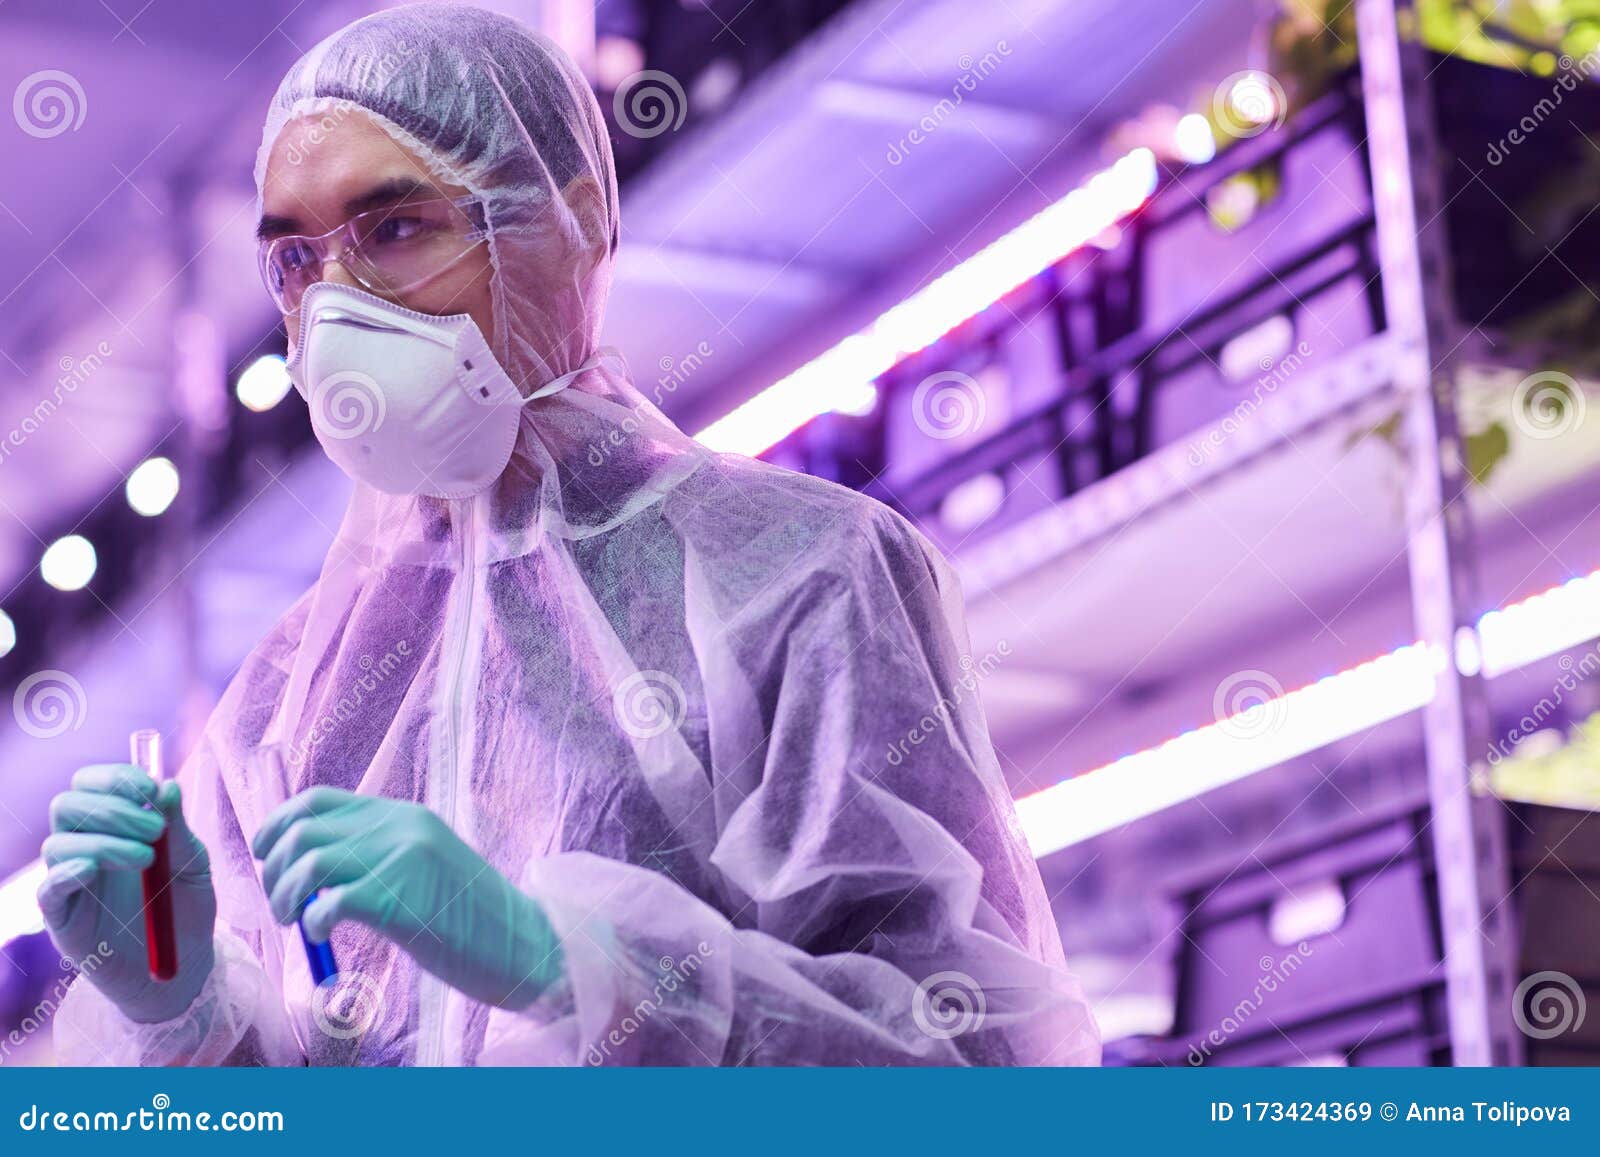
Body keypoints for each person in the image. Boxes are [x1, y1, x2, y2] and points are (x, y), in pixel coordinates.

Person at [38, 2, 1100, 1067]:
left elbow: (974, 1063)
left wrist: (564, 961)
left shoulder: (802, 575)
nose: (337, 310)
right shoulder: (280, 703)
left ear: (577, 220)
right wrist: (176, 1006)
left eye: (397, 229)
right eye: (298, 263)